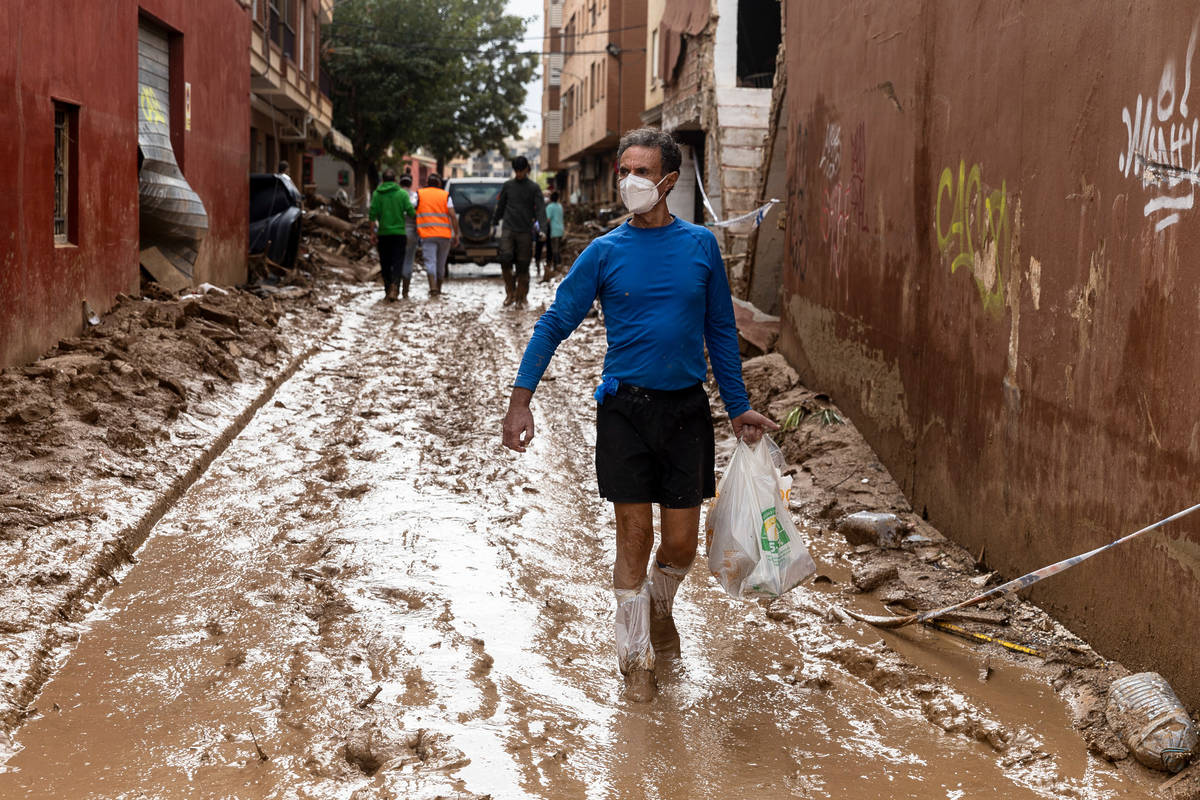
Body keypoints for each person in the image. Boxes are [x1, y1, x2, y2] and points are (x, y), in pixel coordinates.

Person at [500, 128, 778, 702]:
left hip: (686, 411)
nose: (630, 180)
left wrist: (738, 406)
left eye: (642, 172)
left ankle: (657, 608)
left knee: (679, 544)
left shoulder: (701, 246)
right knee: (634, 533)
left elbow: (720, 331)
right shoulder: (604, 252)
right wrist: (520, 399)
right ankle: (634, 660)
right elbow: (554, 323)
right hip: (624, 408)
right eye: (624, 169)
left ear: (669, 182)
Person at [492, 156, 548, 307]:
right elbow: (501, 205)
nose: (518, 174)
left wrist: (543, 229)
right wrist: (494, 222)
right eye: (516, 171)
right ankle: (510, 293)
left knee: (523, 264)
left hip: (524, 231)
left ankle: (521, 297)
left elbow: (541, 210)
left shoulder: (534, 188)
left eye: (521, 171)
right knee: (505, 259)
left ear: (526, 170)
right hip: (508, 229)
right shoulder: (508, 186)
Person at [368, 168, 416, 301]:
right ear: (395, 180)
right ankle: (395, 287)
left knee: (385, 262)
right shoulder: (402, 194)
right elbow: (411, 212)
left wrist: (372, 233)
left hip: (383, 234)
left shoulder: (377, 194)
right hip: (399, 234)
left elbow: (372, 215)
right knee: (398, 262)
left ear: (382, 180)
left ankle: (388, 288)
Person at [415, 173, 459, 297]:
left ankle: (432, 287)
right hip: (444, 236)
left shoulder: (420, 194)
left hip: (427, 235)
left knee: (430, 262)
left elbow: (412, 211)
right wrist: (456, 234)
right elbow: (453, 216)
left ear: (428, 182)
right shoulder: (445, 196)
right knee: (441, 263)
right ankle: (439, 288)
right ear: (439, 184)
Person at [399, 174, 420, 296]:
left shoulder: (395, 196)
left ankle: (394, 288)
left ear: (400, 183)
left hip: (396, 232)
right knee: (408, 261)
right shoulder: (415, 197)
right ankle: (405, 291)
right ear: (411, 184)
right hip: (411, 233)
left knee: (396, 261)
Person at [543, 191, 565, 281]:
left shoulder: (550, 207)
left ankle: (557, 267)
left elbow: (547, 219)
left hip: (554, 231)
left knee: (554, 249)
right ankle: (558, 265)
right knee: (557, 248)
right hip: (560, 230)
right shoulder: (560, 206)